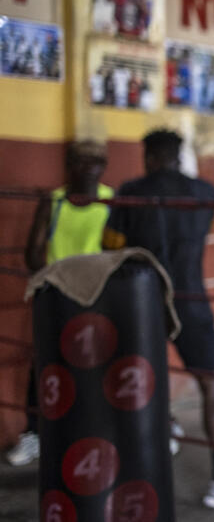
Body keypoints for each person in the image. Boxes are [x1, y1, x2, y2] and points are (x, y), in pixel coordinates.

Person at [102, 129, 214, 509]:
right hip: (190, 299)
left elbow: (109, 246)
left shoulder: (129, 191)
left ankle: (132, 477)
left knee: (137, 382)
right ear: (178, 155)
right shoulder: (205, 193)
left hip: (143, 301)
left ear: (151, 157)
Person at [6, 141, 115, 466]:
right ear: (70, 167)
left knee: (95, 363)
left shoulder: (112, 200)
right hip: (55, 292)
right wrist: (63, 278)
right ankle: (33, 435)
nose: (88, 169)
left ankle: (89, 431)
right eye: (80, 163)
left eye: (94, 163)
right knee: (45, 362)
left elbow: (120, 248)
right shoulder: (54, 201)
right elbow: (33, 253)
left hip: (95, 292)